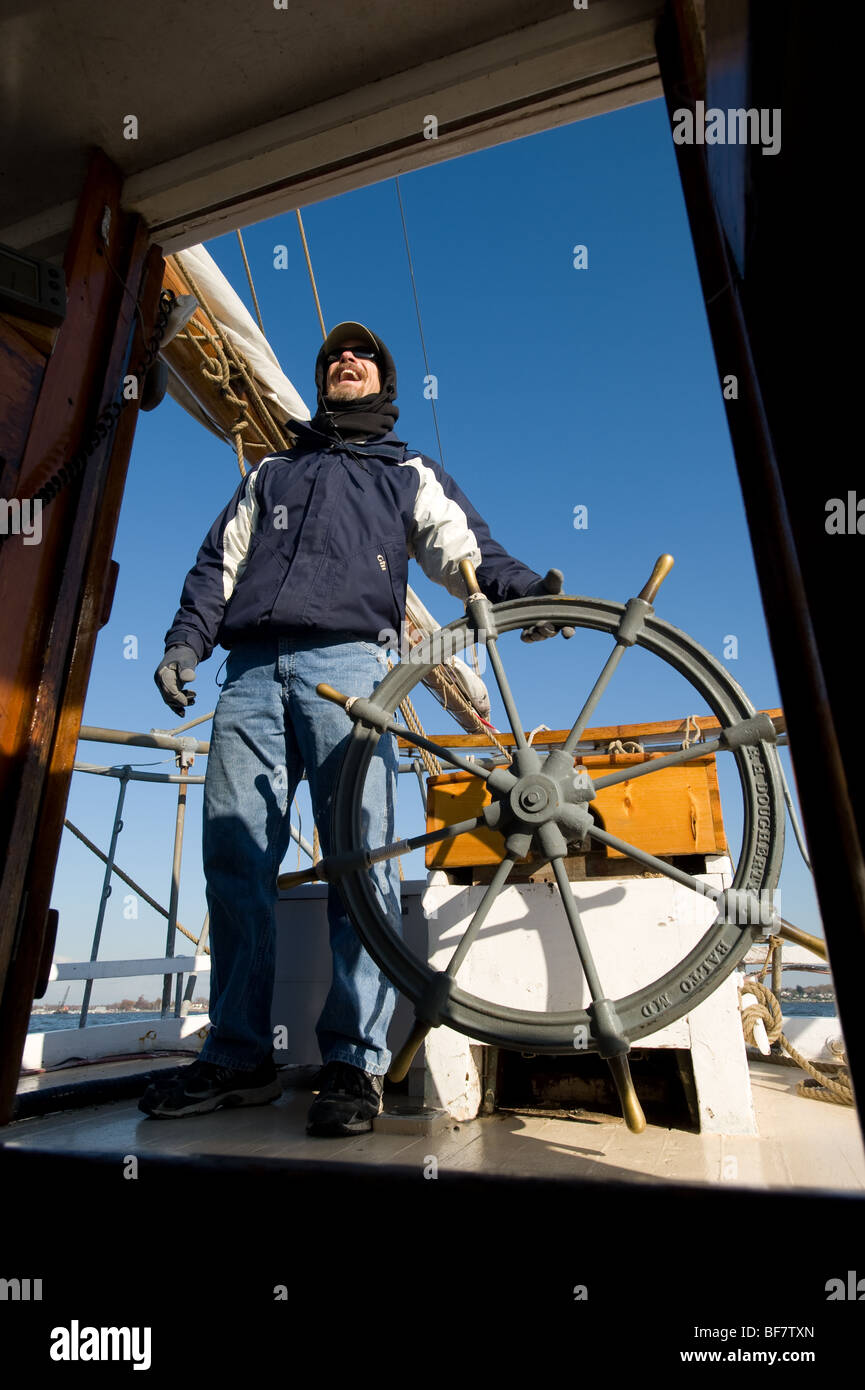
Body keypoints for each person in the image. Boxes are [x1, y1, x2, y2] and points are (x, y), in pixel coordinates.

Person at [139, 321, 571, 1135]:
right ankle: (236, 1055)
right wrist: (181, 643)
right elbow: (214, 567)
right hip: (250, 675)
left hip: (350, 672)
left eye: (363, 356)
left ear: (383, 380)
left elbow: (466, 553)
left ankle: (351, 1064)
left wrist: (520, 595)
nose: (347, 360)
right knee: (235, 864)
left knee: (358, 865)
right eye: (336, 355)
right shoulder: (270, 472)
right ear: (322, 379)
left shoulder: (407, 473)